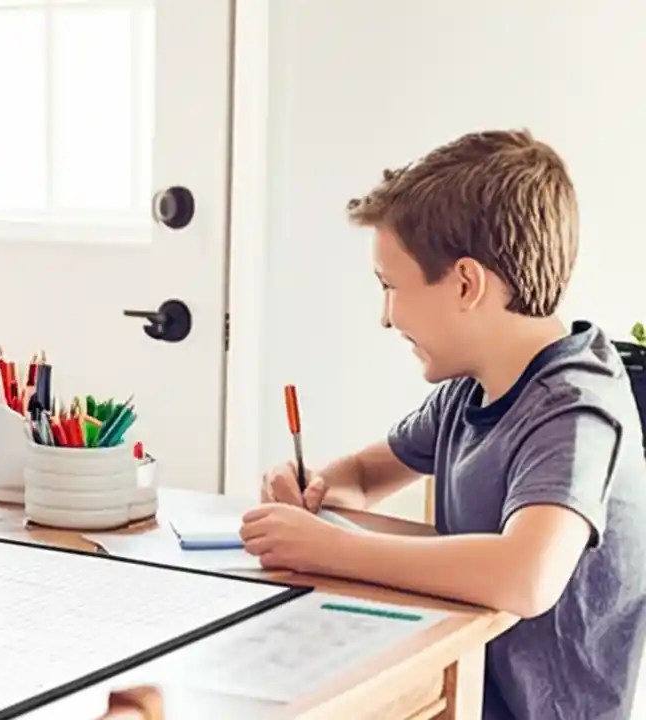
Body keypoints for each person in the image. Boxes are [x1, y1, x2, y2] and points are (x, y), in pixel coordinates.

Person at [241, 129, 646, 719]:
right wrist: (316, 491)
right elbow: (362, 475)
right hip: (462, 689)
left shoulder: (576, 409)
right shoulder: (473, 386)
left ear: (465, 283)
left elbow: (527, 576)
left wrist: (330, 548)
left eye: (390, 287)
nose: (385, 317)